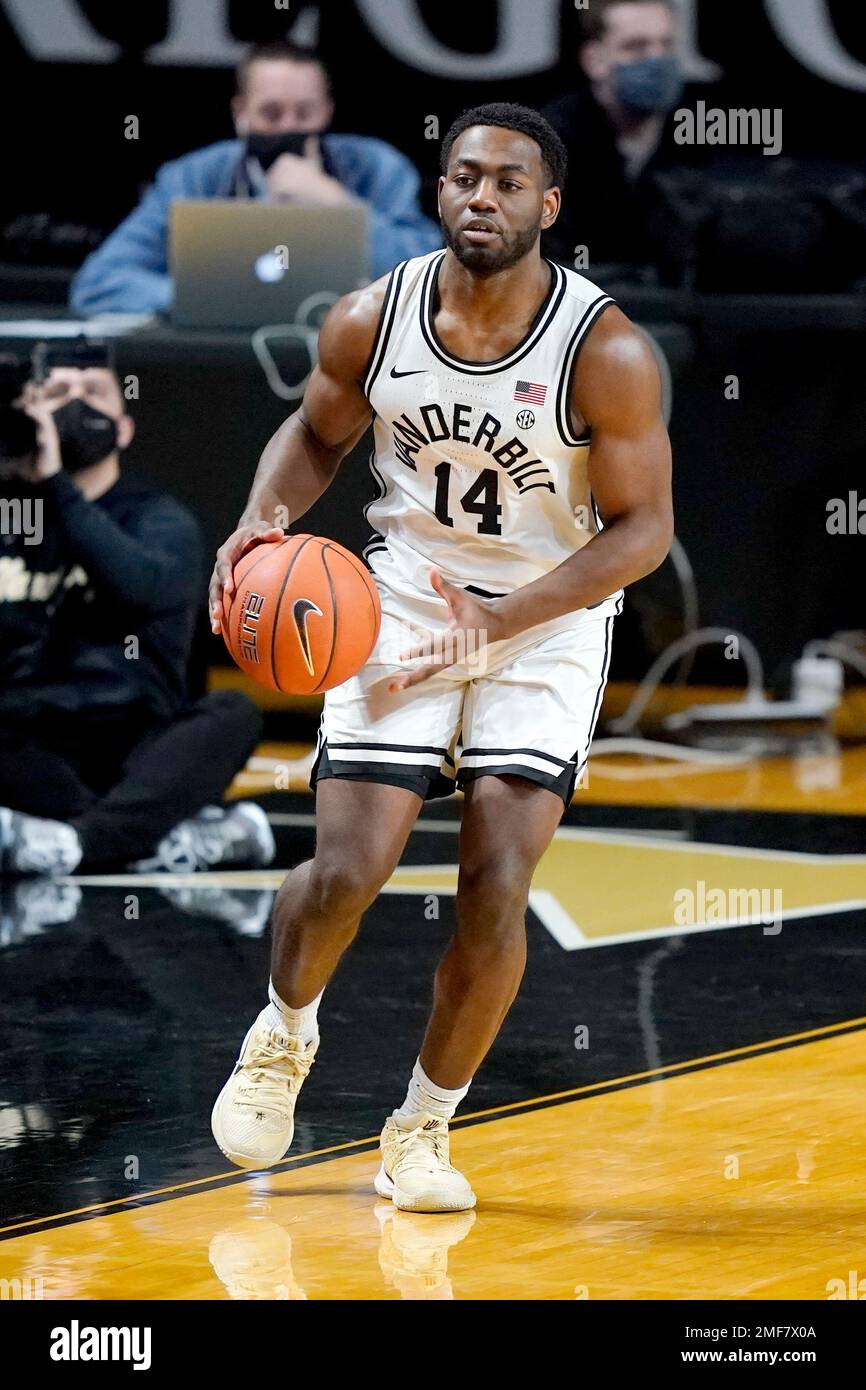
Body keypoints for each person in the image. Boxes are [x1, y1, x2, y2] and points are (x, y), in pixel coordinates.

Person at [208, 102, 673, 1210]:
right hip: (406, 602)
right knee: (346, 875)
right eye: (464, 177)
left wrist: (503, 622)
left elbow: (641, 531)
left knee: (495, 886)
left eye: (509, 183)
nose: (482, 197)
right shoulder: (373, 316)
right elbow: (317, 434)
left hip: (545, 622)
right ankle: (282, 1031)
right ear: (437, 190)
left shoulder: (604, 352)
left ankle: (418, 1128)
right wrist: (257, 518)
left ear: (547, 205)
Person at [0, 338, 273, 877]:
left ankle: (73, 844)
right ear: (34, 415)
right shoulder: (11, 513)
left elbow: (140, 589)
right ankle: (164, 833)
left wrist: (55, 485)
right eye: (59, 393)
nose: (76, 405)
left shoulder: (158, 518)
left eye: (93, 393)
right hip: (35, 746)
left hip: (139, 747)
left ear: (123, 428)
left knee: (232, 714)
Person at [69, 40, 441, 318]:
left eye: (304, 113)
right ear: (241, 113)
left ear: (327, 111)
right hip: (220, 361)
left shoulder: (377, 167)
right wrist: (203, 298)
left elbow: (430, 282)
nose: (288, 127)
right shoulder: (195, 177)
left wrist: (336, 201)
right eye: (271, 113)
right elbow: (98, 284)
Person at [542, 0, 685, 269]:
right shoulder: (550, 142)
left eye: (666, 45)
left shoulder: (699, 137)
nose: (656, 59)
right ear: (594, 60)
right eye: (635, 47)